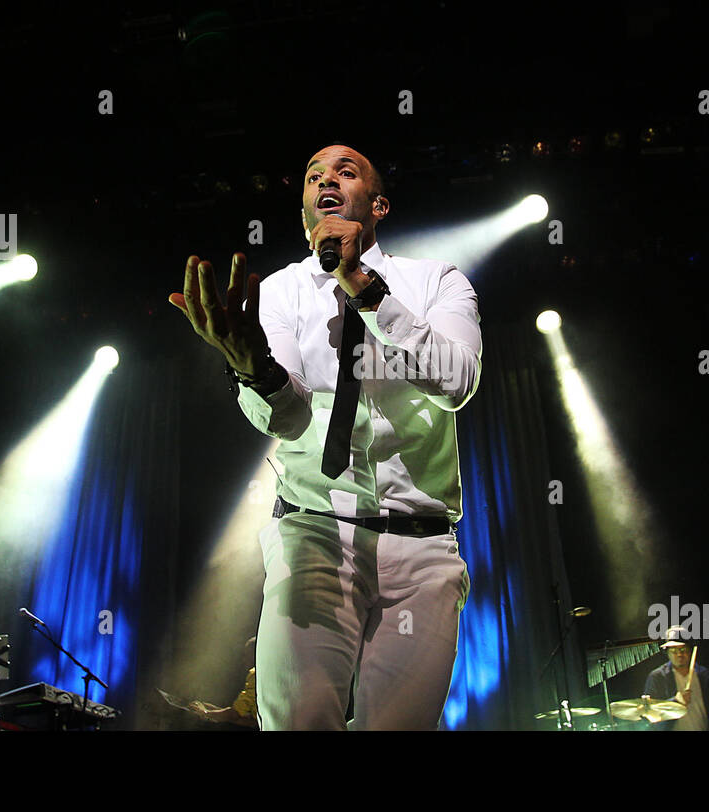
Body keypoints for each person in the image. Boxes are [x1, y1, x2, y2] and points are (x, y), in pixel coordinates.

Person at [169, 144, 480, 730]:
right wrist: (251, 368)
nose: (325, 180)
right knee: (299, 719)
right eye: (313, 177)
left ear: (378, 205)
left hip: (420, 547)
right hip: (313, 531)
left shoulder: (437, 281)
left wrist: (362, 285)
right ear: (306, 212)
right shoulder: (280, 291)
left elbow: (457, 380)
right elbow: (287, 417)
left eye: (345, 171)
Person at [642, 625, 709, 731]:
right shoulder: (657, 677)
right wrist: (676, 702)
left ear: (690, 651)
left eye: (683, 649)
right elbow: (651, 712)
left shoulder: (705, 675)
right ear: (667, 652)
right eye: (674, 651)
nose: (679, 654)